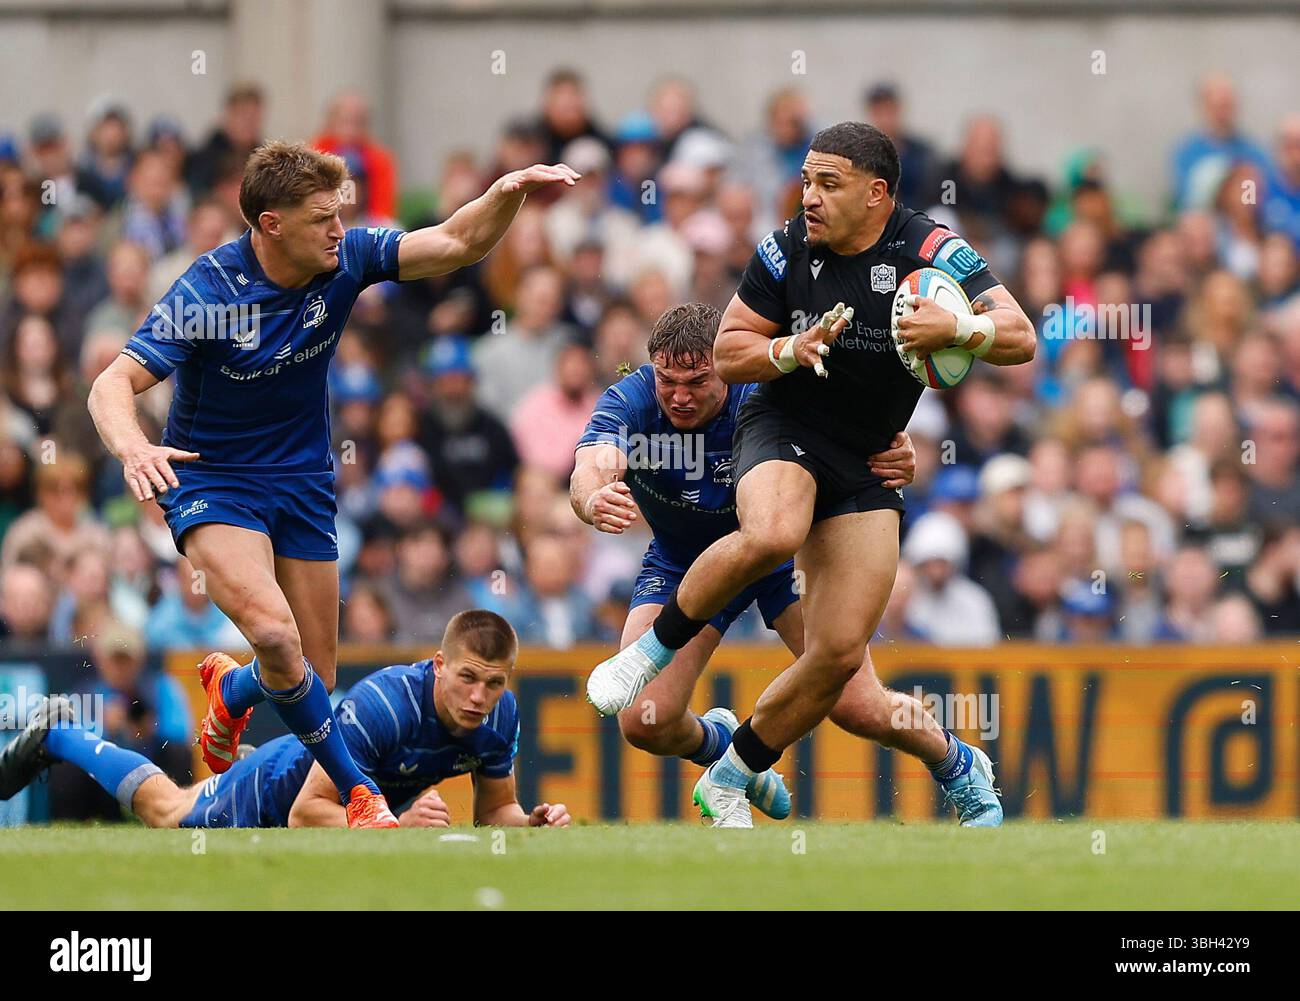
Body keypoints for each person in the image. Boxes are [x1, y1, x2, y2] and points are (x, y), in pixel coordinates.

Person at [87, 139, 580, 828]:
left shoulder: (343, 258)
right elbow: (111, 384)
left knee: (309, 683)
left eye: (339, 214)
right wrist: (134, 446)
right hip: (216, 482)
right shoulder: (209, 289)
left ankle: (235, 688)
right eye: (323, 217)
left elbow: (458, 243)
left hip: (304, 484)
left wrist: (505, 193)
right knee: (272, 630)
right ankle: (361, 795)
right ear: (271, 224)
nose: (339, 229)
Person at [587, 122, 1036, 827]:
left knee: (842, 673)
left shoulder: (931, 249)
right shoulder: (786, 246)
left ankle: (938, 762)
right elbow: (733, 348)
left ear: (876, 193)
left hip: (861, 462)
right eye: (805, 181)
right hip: (784, 434)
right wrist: (791, 350)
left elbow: (1021, 335)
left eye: (828, 184)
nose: (810, 198)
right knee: (770, 531)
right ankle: (647, 653)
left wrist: (959, 332)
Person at [574, 301, 993, 822]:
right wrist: (593, 496)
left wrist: (896, 449)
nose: (679, 397)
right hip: (685, 565)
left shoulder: (766, 392)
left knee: (858, 707)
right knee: (643, 721)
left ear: (724, 367)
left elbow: (853, 429)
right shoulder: (631, 401)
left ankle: (958, 764)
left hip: (787, 561)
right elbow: (591, 462)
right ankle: (721, 745)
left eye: (697, 381)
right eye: (668, 381)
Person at [0, 610, 570, 830]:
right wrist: (393, 826)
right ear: (439, 665)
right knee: (166, 813)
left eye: (494, 683)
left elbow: (496, 810)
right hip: (281, 789)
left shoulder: (502, 716)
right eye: (468, 678)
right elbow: (306, 814)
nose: (479, 696)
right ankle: (61, 734)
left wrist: (532, 825)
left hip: (347, 802)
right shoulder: (387, 704)